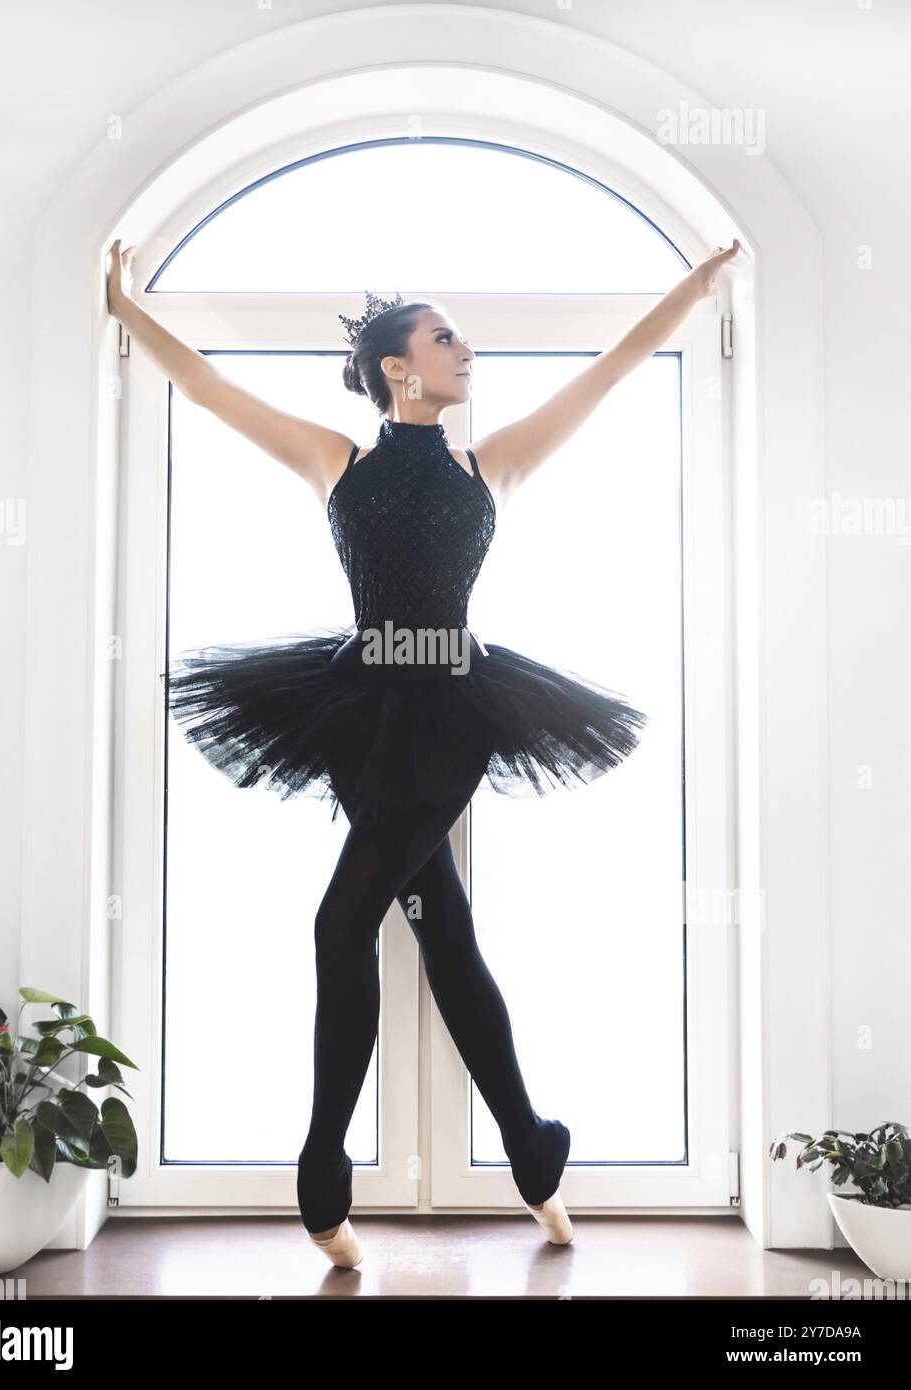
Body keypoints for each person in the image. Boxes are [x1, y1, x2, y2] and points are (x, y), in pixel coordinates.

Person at [106, 238, 742, 1268]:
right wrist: (123, 306)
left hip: (453, 709)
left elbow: (611, 369)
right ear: (399, 366)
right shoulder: (336, 460)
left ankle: (321, 1174)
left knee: (339, 918)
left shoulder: (486, 464)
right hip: (355, 711)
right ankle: (534, 1152)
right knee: (442, 933)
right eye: (445, 336)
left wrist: (693, 283)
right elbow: (207, 387)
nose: (465, 349)